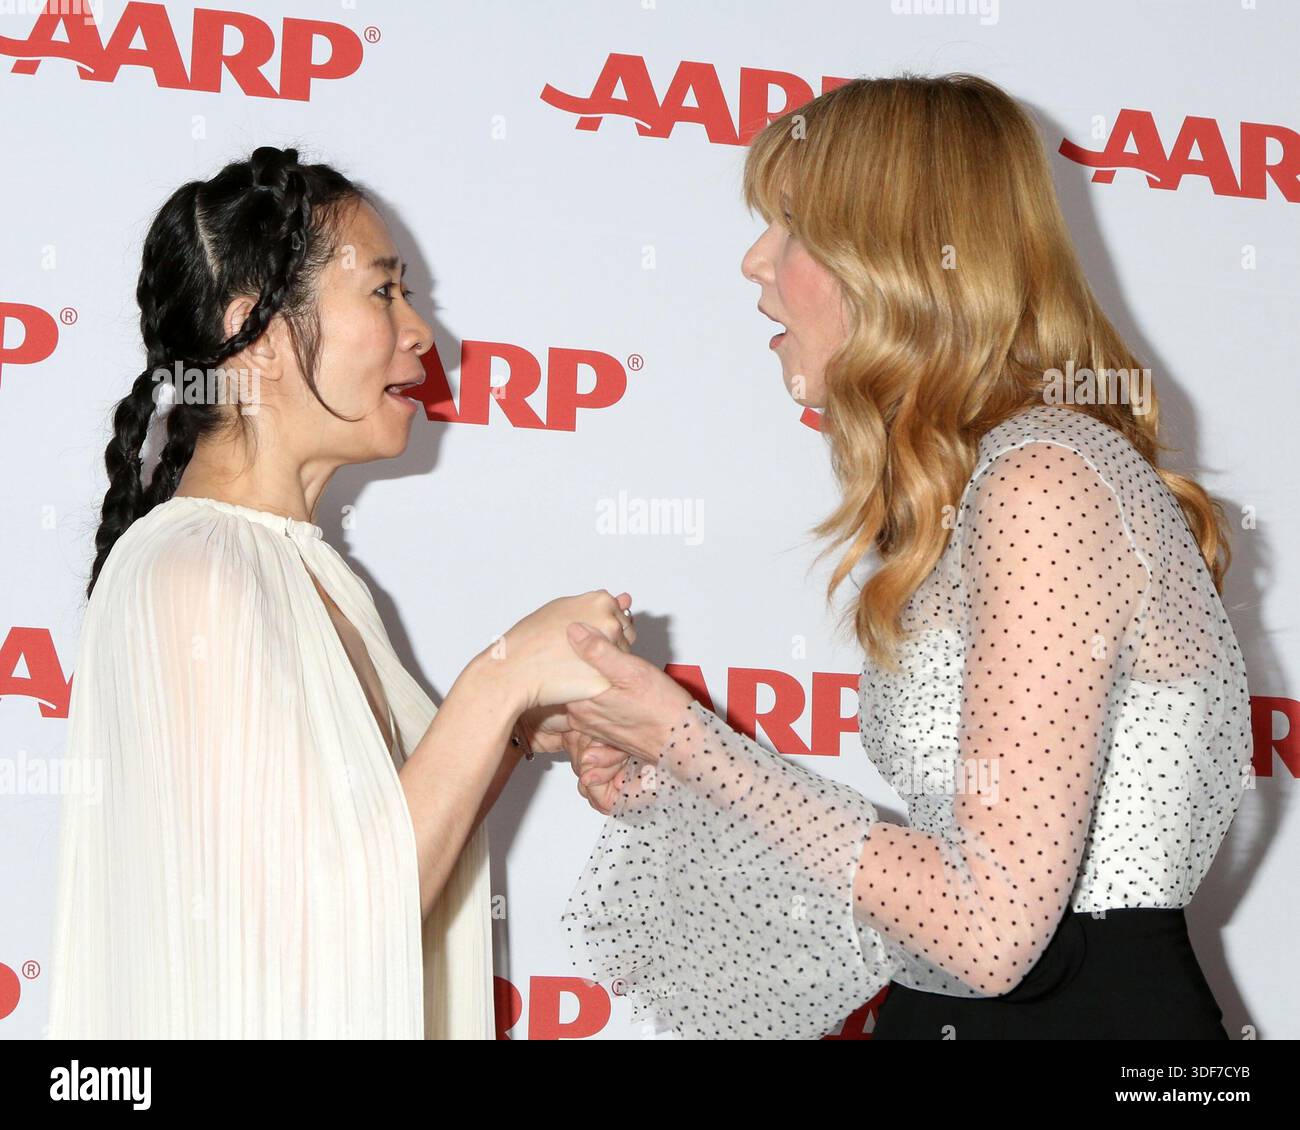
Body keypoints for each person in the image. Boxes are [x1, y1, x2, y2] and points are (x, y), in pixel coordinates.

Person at [555, 74, 1252, 1040]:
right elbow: (944, 899)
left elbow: (990, 932)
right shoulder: (995, 481)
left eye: (793, 225)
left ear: (903, 259)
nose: (757, 261)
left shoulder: (1044, 481)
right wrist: (679, 772)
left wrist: (695, 743)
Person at [46, 146, 636, 1039]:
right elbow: (322, 930)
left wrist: (508, 735)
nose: (422, 334)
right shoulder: (195, 569)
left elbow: (367, 863)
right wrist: (500, 679)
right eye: (383, 293)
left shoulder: (305, 572)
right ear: (263, 337)